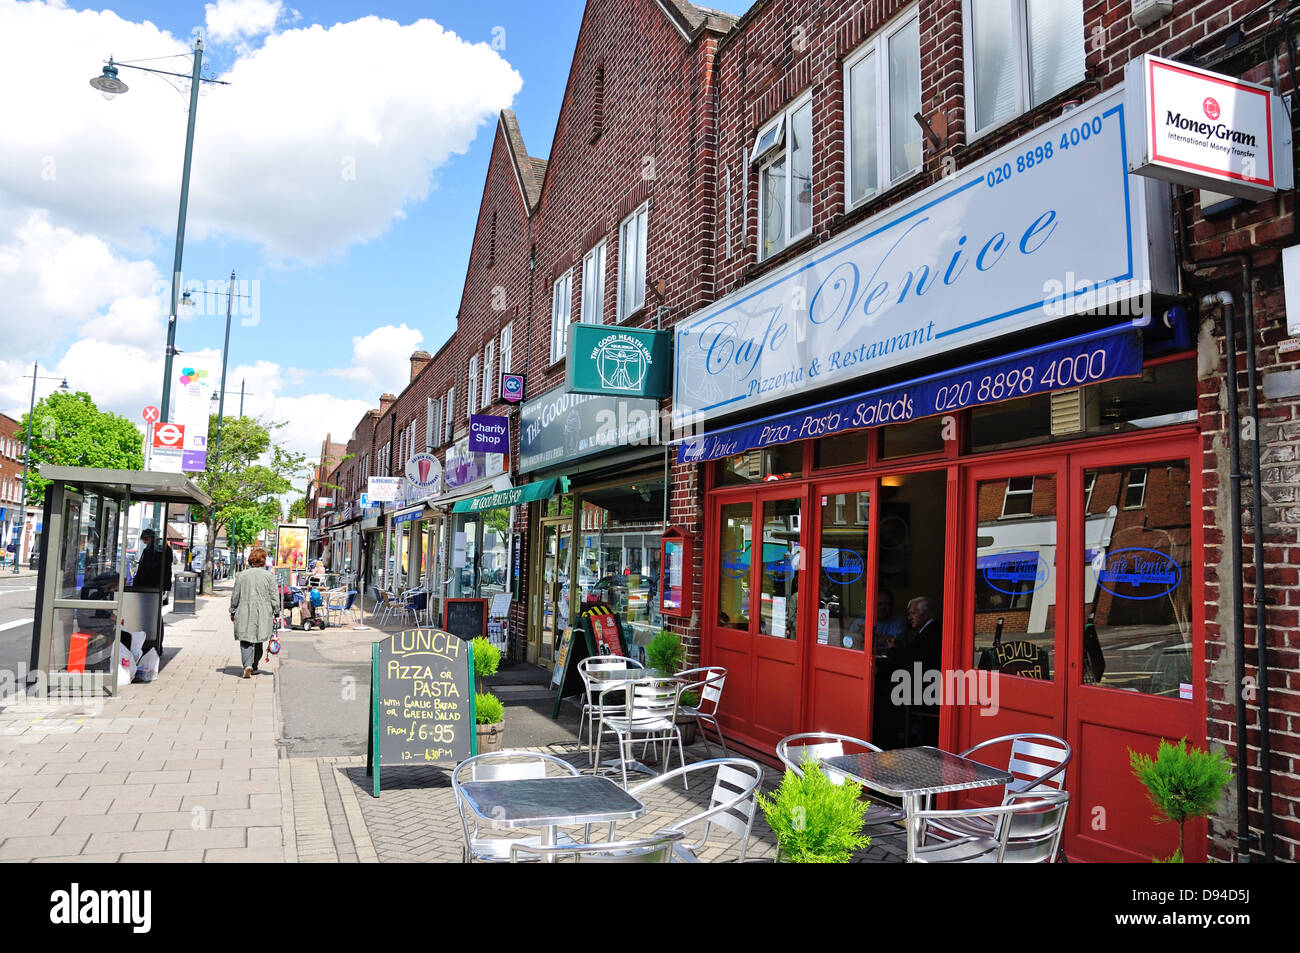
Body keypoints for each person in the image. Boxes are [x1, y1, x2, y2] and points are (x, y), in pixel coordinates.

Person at [230, 547, 279, 678]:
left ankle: (247, 665)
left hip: (244, 610)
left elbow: (235, 595)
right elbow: (274, 596)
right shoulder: (269, 576)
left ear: (250, 560)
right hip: (263, 612)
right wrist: (277, 613)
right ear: (264, 561)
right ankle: (255, 665)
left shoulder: (241, 575)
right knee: (258, 639)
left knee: (246, 639)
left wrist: (233, 610)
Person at [133, 529, 172, 593]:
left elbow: (144, 568)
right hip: (162, 584)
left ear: (149, 538)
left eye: (145, 540)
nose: (145, 543)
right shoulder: (166, 548)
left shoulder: (149, 550)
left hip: (149, 584)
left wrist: (137, 583)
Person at [872, 590, 908, 654]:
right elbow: (852, 639)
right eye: (879, 604)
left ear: (892, 606)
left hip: (891, 658)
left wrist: (869, 641)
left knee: (918, 664)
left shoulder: (899, 619)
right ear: (873, 605)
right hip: (868, 658)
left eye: (887, 604)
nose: (883, 608)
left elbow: (893, 641)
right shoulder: (864, 619)